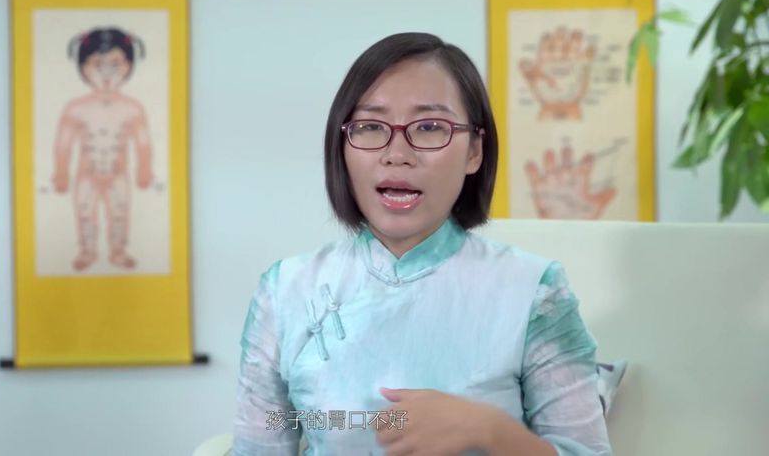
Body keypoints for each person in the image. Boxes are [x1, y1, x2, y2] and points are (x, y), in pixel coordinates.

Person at [233, 32, 611, 455]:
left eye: (430, 127)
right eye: (371, 127)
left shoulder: (533, 291)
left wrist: (489, 429)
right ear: (342, 147)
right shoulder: (285, 290)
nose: (397, 154)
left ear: (474, 151)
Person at [52, 27, 153, 271]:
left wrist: (144, 171)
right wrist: (62, 173)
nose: (107, 74)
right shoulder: (76, 108)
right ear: (84, 68)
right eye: (98, 65)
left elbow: (143, 143)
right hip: (86, 174)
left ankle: (118, 252)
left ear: (128, 66)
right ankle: (87, 251)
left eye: (115, 65)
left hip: (118, 174)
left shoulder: (133, 108)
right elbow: (63, 144)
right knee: (85, 212)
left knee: (119, 213)